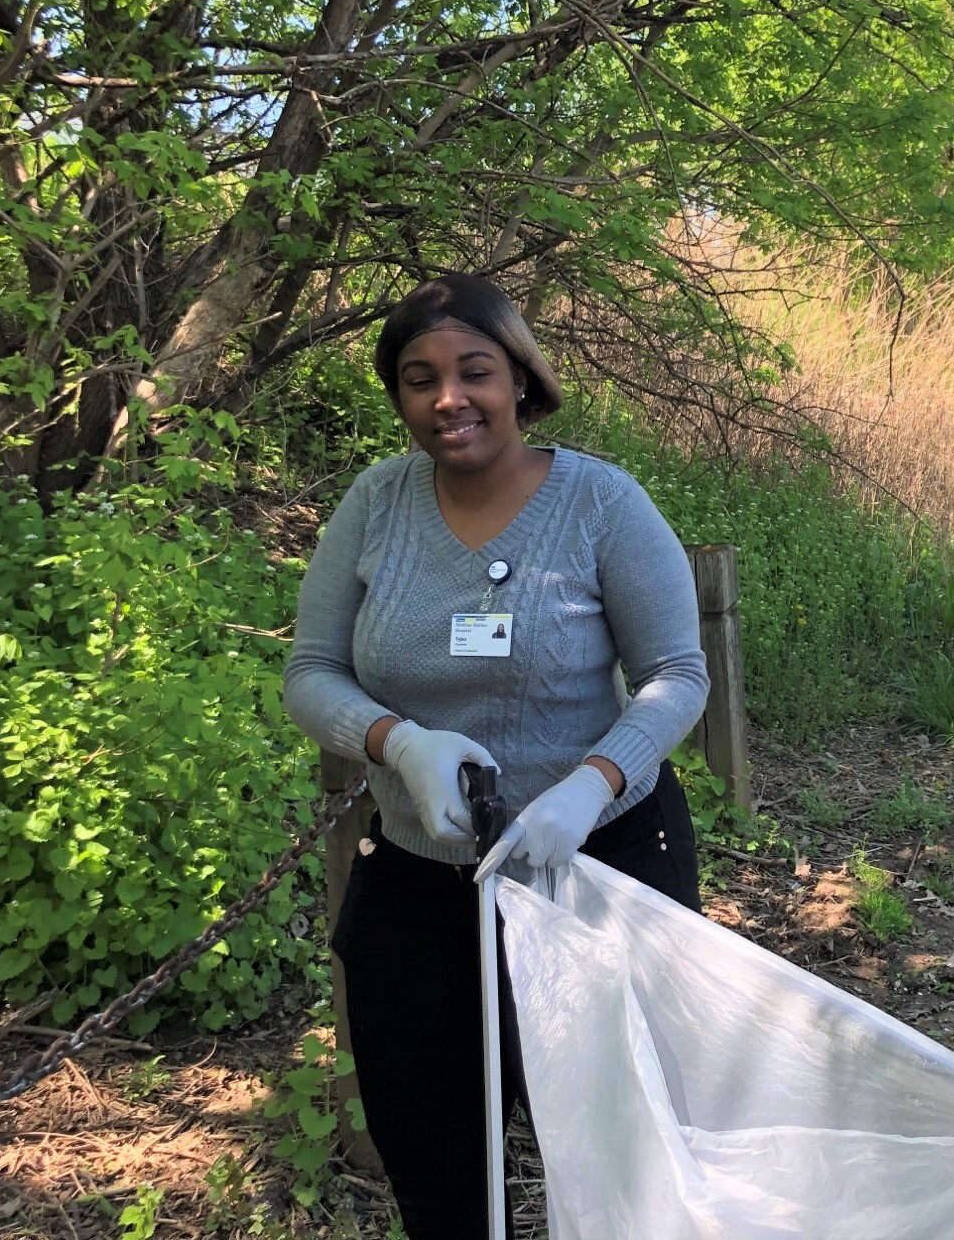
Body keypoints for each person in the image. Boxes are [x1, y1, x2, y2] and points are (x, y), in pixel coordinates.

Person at [283, 273, 710, 1239]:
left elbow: (677, 675)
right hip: (423, 881)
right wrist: (398, 741)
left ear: (521, 378)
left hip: (598, 870)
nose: (448, 399)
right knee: (433, 1164)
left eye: (475, 371)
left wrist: (589, 788)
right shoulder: (376, 504)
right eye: (417, 378)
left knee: (618, 1154)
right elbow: (311, 672)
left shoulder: (602, 502)